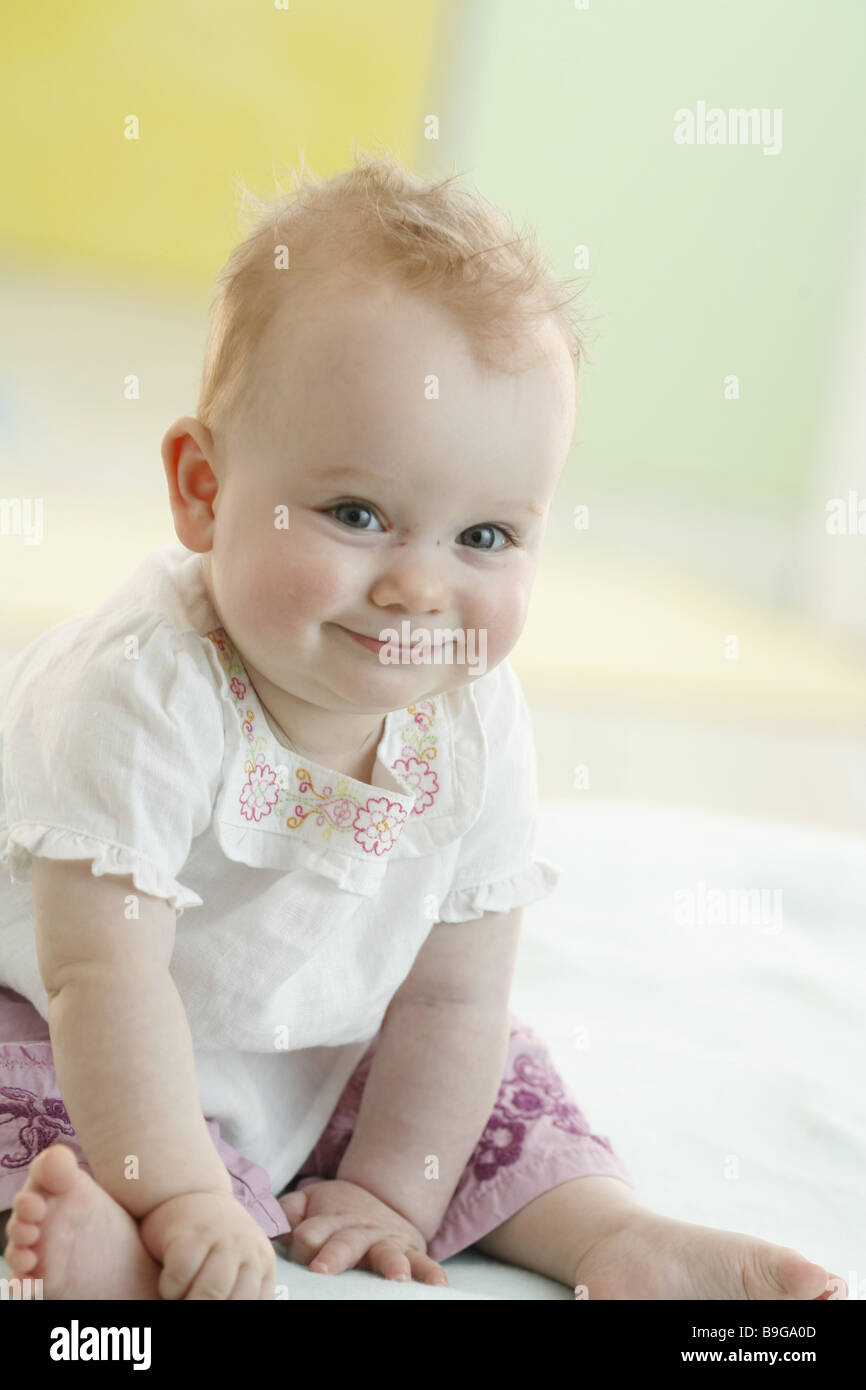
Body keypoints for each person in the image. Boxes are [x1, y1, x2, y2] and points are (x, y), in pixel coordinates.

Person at [0, 149, 843, 1300]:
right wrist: (184, 1190)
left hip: (323, 1043)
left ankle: (612, 1236)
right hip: (80, 1019)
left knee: (497, 1076)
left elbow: (451, 990)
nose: (418, 587)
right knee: (28, 1096)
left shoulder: (473, 719)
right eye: (357, 514)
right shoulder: (143, 687)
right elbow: (107, 974)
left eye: (485, 538)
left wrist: (394, 1187)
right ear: (202, 488)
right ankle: (130, 1244)